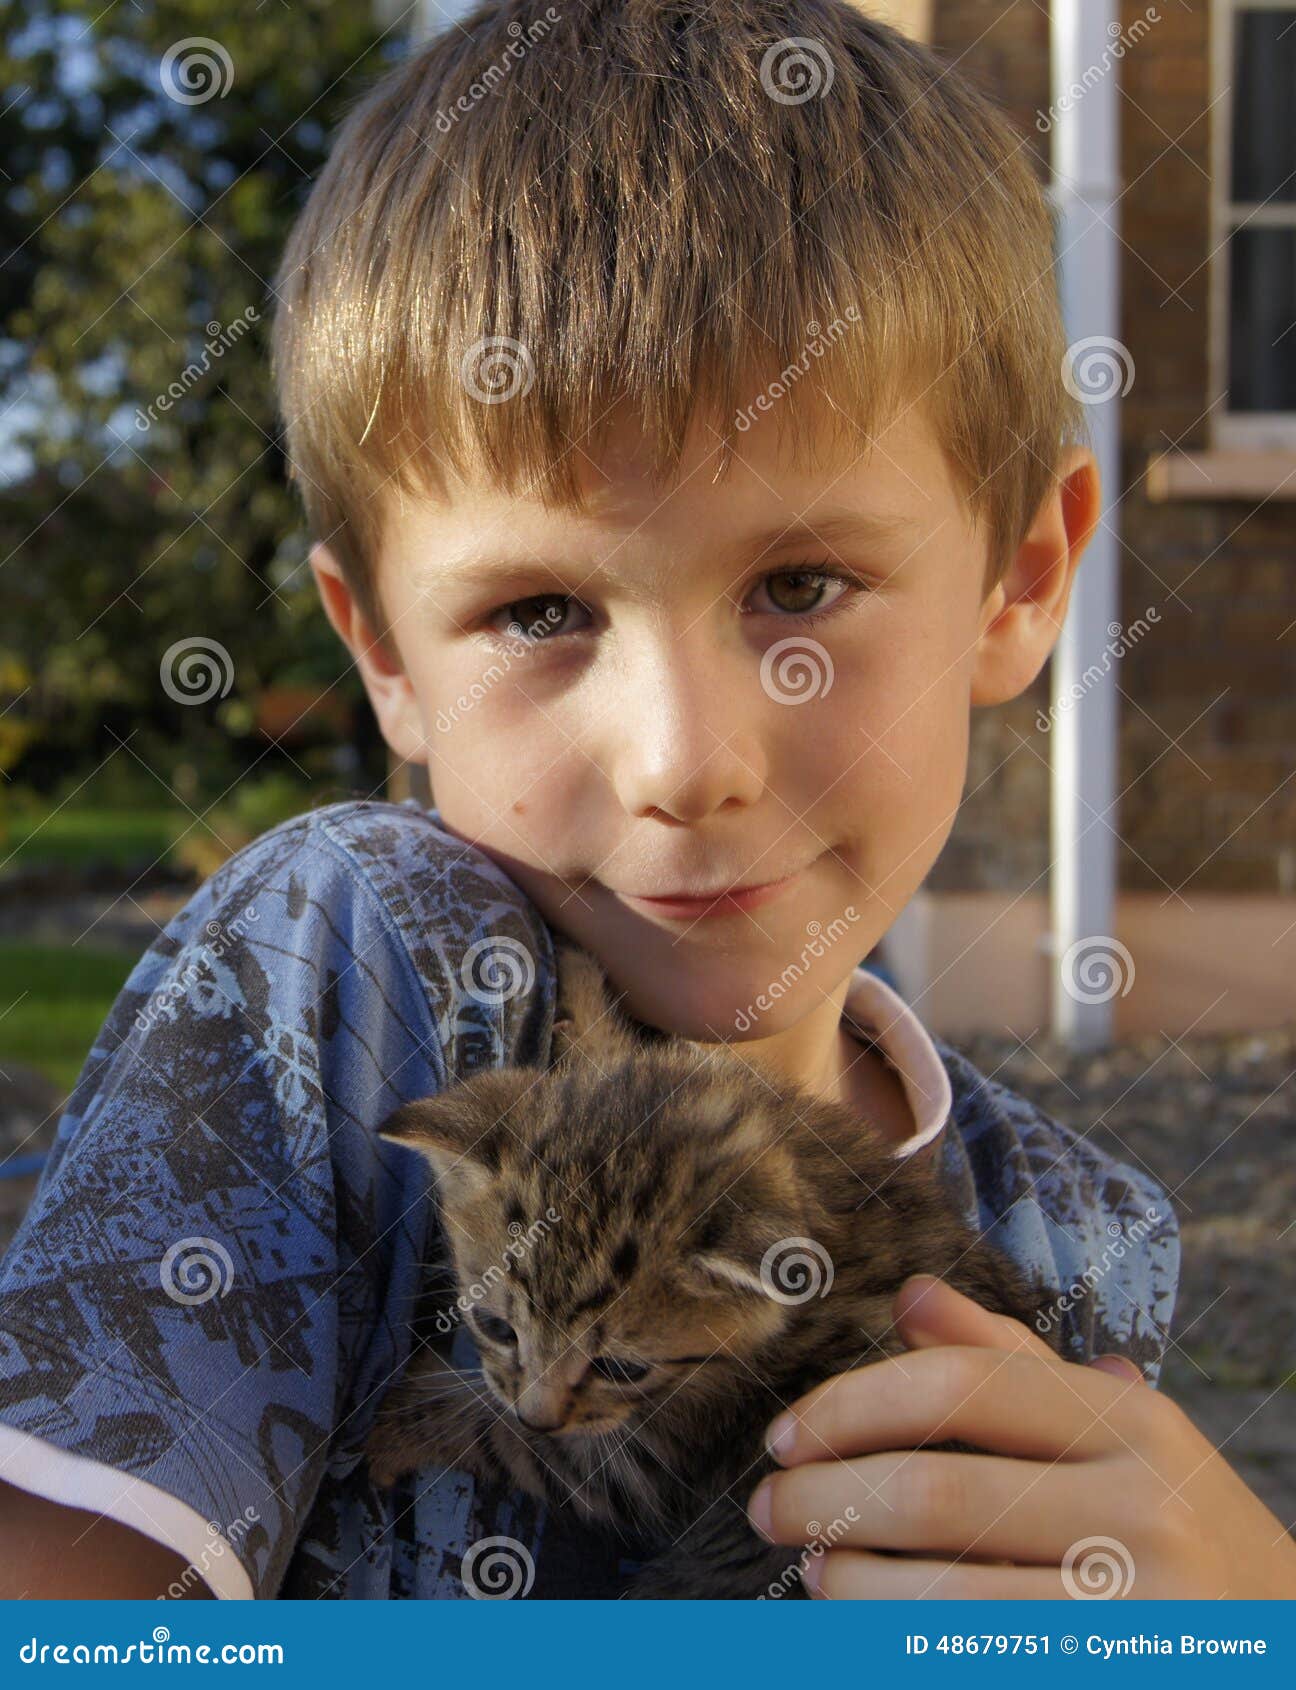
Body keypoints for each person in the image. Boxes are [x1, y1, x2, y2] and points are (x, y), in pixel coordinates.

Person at [1, 0, 1292, 1600]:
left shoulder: (1074, 1231)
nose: (684, 762)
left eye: (800, 585)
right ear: (382, 649)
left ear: (1019, 583)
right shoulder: (359, 969)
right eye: (541, 610)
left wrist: (1250, 1616)